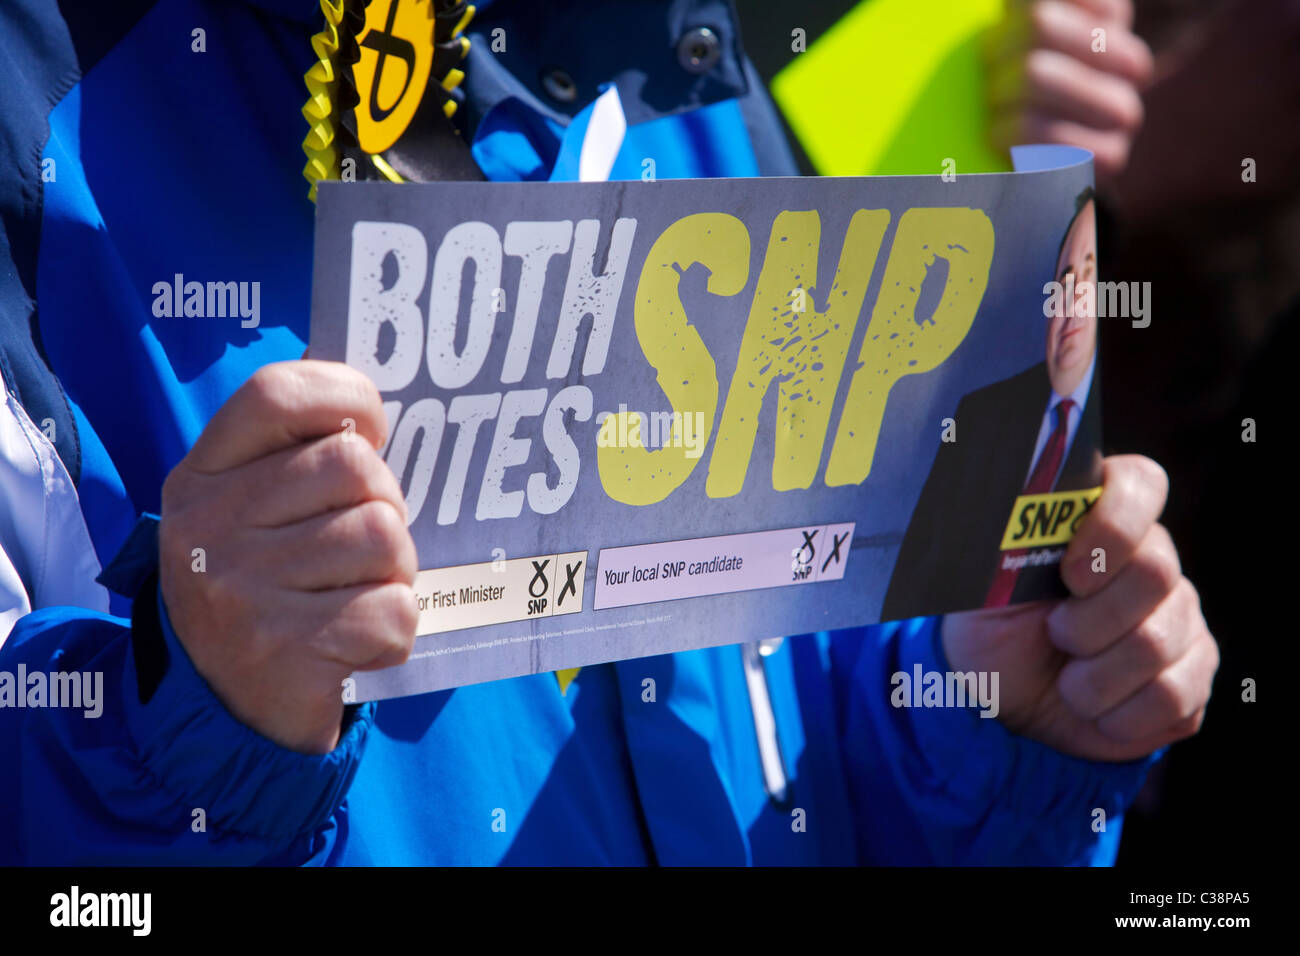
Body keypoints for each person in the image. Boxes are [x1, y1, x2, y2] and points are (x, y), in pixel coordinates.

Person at [0, 0, 1216, 865]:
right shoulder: (36, 120)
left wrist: (980, 718)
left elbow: (771, 759)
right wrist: (189, 725)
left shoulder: (667, 62)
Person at [881, 190, 1101, 620]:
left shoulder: (1128, 425)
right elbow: (908, 589)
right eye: (1063, 280)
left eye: (1089, 277)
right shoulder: (978, 417)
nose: (1072, 299)